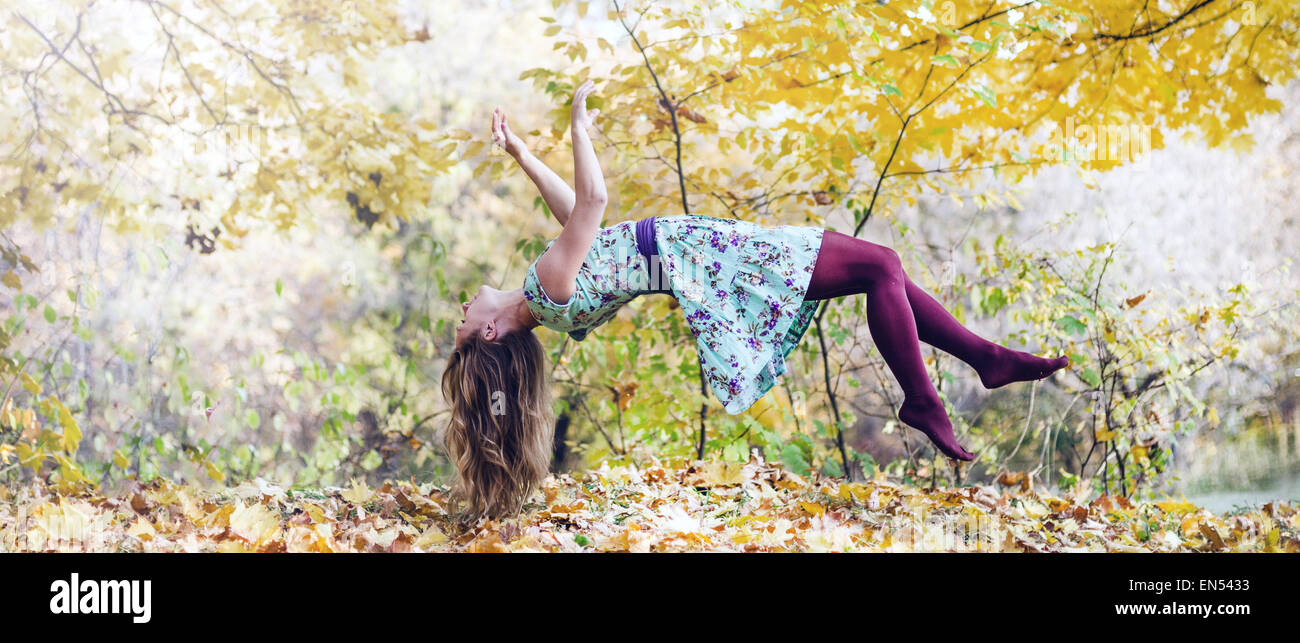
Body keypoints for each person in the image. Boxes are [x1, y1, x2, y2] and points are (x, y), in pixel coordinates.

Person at [441, 81, 1069, 520]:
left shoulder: (550, 297)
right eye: (463, 325)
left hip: (712, 259)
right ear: (491, 333)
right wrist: (579, 127)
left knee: (884, 271)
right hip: (719, 261)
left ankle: (983, 361)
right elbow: (593, 204)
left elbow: (577, 222)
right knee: (882, 267)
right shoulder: (546, 286)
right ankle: (929, 396)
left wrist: (523, 153)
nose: (463, 310)